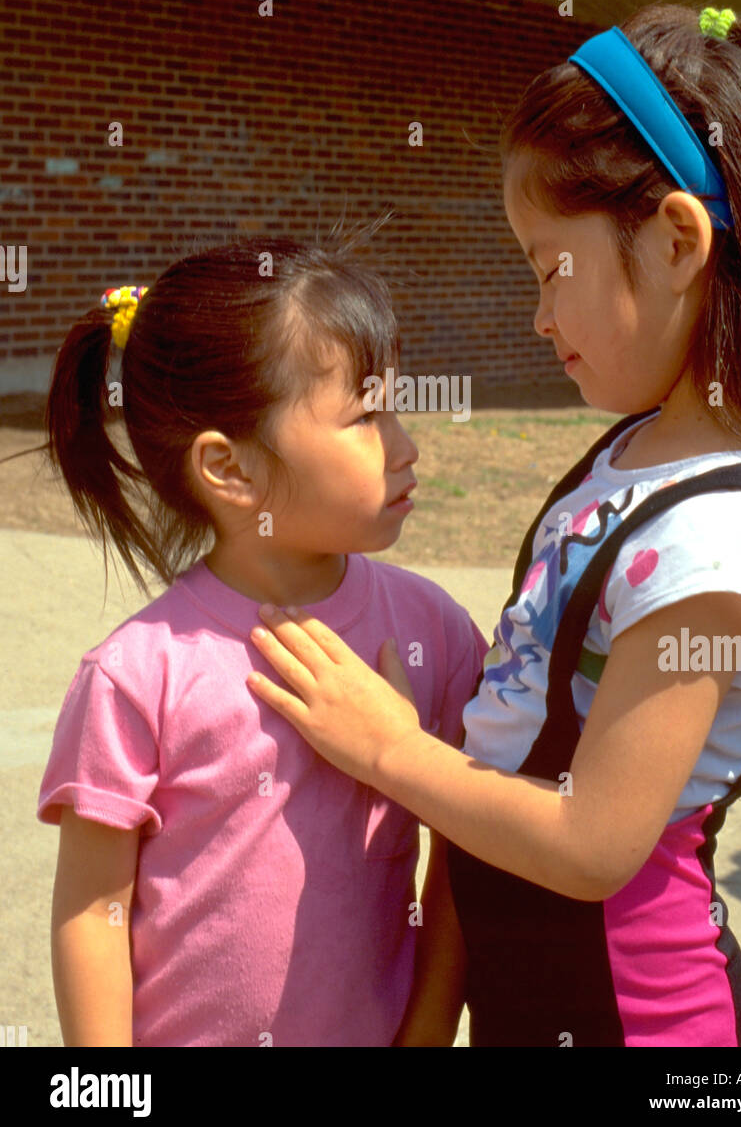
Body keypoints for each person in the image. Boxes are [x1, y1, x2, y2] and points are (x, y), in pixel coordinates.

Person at [244, 3, 741, 1047]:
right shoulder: (625, 460)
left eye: (547, 266)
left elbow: (592, 839)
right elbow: (511, 750)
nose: (538, 315)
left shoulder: (718, 544)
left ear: (676, 241)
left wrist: (387, 746)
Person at [34, 234, 488, 1047]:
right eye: (365, 416)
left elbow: (458, 868)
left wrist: (424, 1034)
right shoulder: (137, 675)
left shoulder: (435, 634)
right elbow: (90, 914)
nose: (406, 445)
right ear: (230, 470)